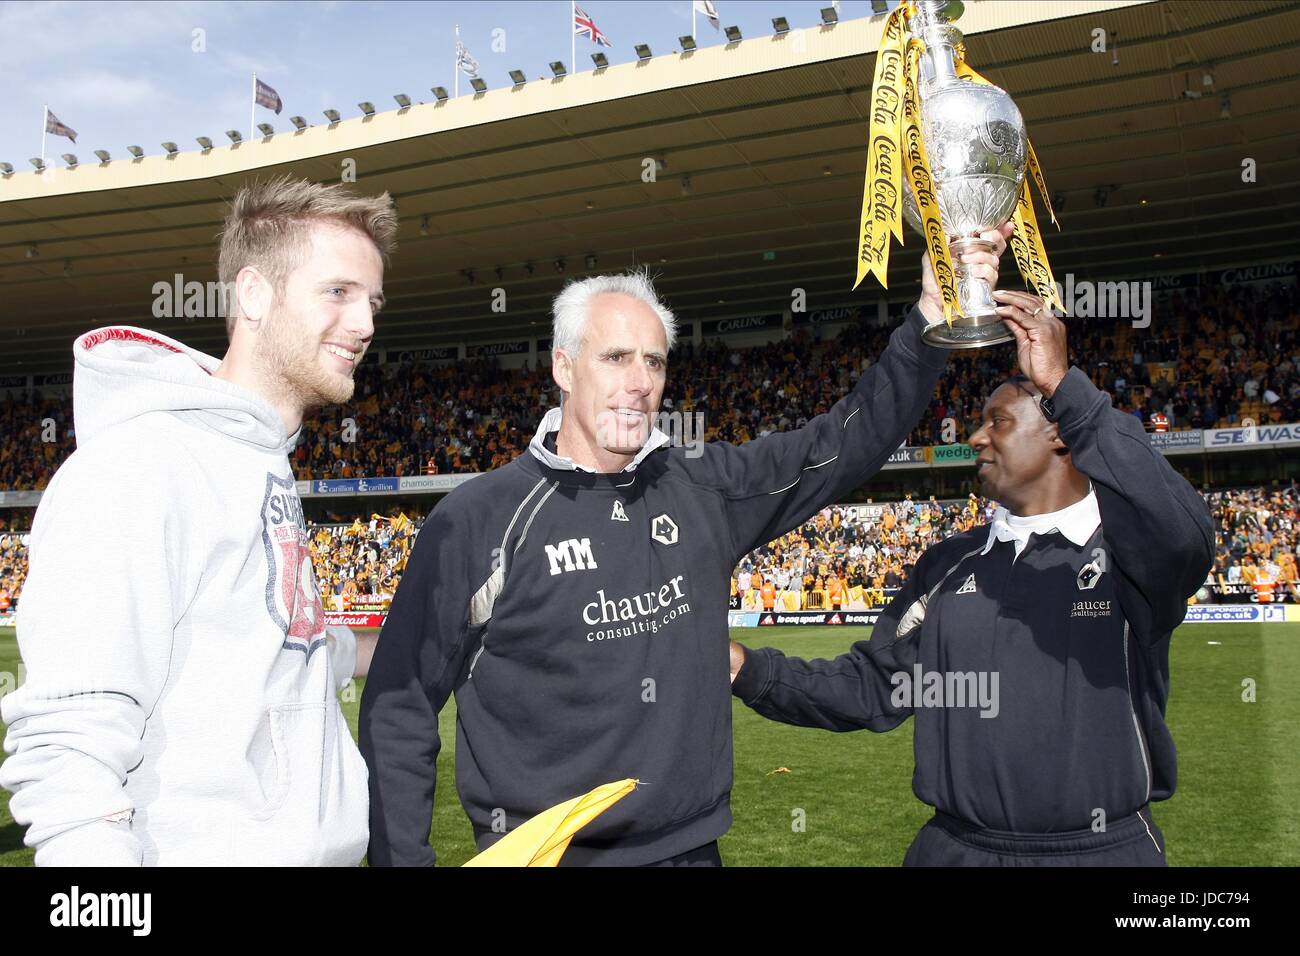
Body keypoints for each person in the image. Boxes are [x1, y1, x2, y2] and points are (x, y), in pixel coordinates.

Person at [360, 226, 1014, 867]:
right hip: (549, 856)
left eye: (654, 361)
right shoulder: (480, 518)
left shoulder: (700, 484)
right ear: (563, 366)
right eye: (615, 357)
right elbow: (399, 703)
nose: (640, 381)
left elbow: (842, 446)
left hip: (693, 850)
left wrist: (931, 316)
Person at [728, 291, 1215, 866]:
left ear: (1060, 433)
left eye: (998, 422)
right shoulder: (947, 564)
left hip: (1100, 852)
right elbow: (874, 687)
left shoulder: (1131, 556)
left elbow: (1186, 532)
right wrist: (743, 668)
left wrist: (1067, 388)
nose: (976, 437)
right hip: (957, 850)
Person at [0, 176, 394, 865]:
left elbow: (275, 651)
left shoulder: (258, 458)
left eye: (372, 301)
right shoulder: (141, 466)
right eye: (338, 292)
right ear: (252, 295)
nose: (365, 324)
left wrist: (404, 643)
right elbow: (67, 748)